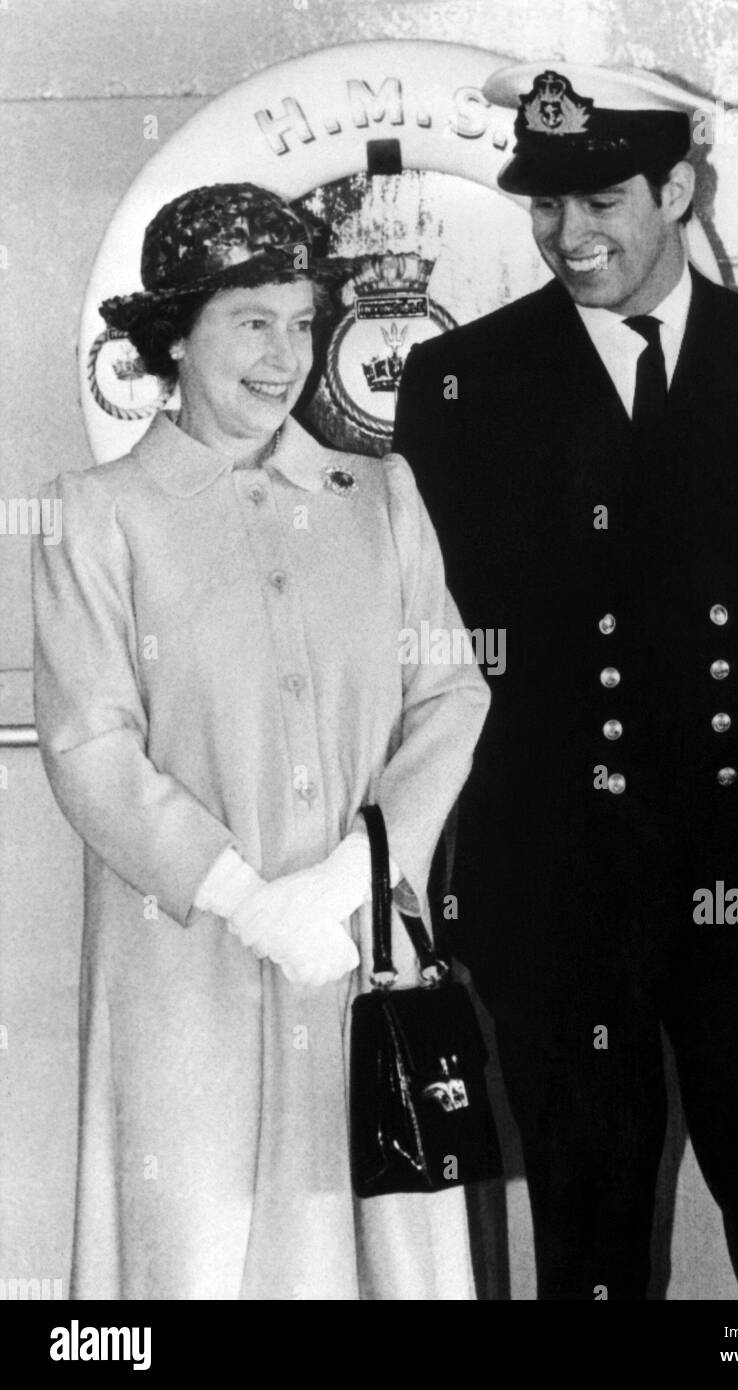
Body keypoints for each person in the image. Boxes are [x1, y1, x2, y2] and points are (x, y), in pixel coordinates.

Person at [394, 63, 738, 1300]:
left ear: (677, 186)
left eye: (601, 198)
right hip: (553, 883)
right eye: (543, 206)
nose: (568, 235)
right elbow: (464, 639)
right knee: (586, 1236)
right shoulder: (456, 384)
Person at [33, 182, 490, 1300]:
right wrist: (247, 900)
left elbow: (448, 696)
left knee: (382, 1255)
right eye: (251, 323)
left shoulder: (377, 493)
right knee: (195, 1250)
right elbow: (90, 744)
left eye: (301, 322)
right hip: (189, 968)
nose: (286, 356)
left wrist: (348, 879)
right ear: (173, 337)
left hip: (358, 955)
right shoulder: (94, 514)